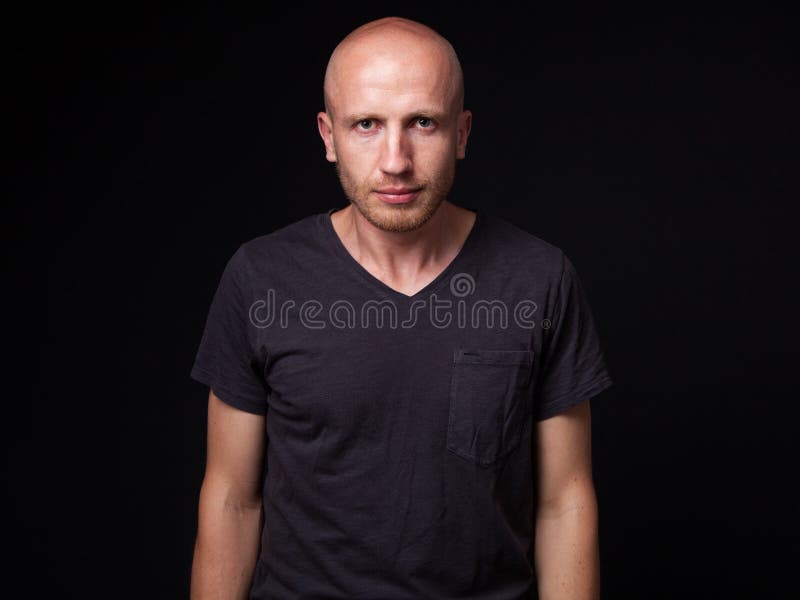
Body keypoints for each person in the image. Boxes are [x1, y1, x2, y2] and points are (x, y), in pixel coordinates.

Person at [189, 15, 613, 600]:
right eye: (366, 124)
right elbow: (232, 498)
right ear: (328, 135)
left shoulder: (539, 278)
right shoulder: (261, 277)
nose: (395, 159)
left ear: (462, 133)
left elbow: (565, 500)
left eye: (422, 123)